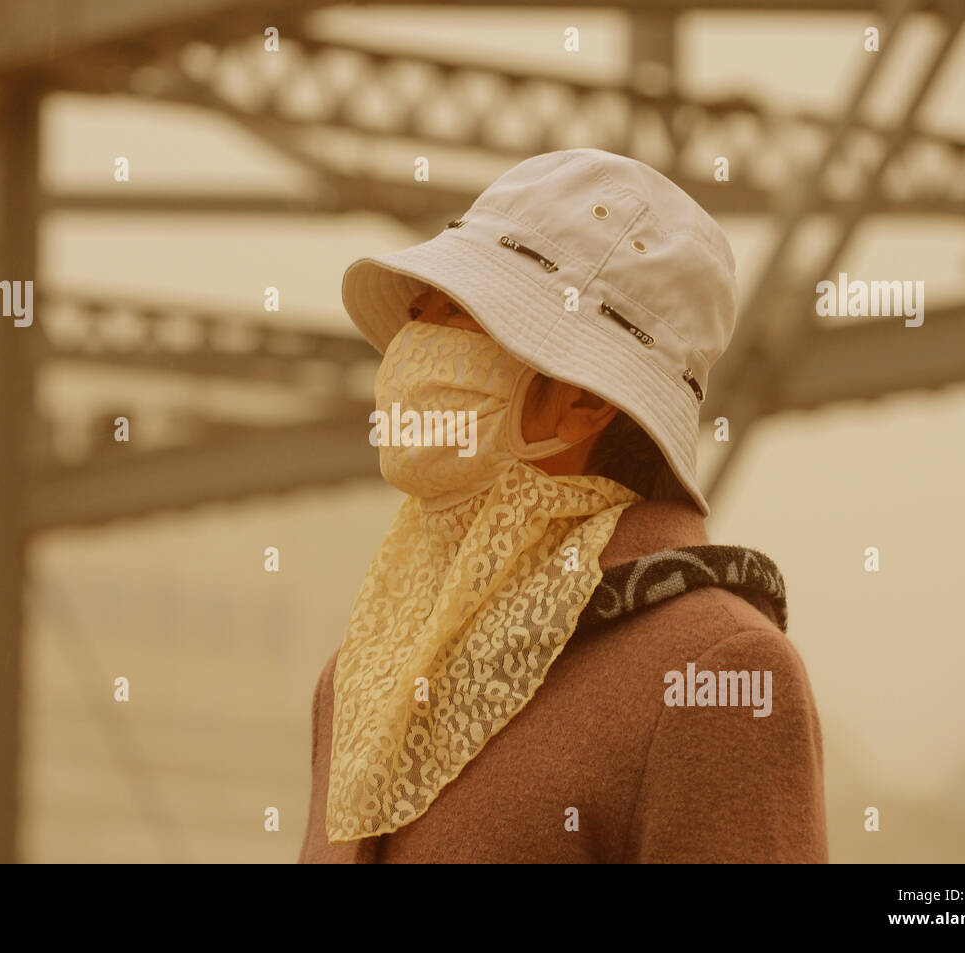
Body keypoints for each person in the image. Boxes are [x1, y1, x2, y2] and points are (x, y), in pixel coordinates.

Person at [298, 148, 826, 863]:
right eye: (420, 308)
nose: (412, 343)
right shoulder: (362, 673)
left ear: (583, 399)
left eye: (460, 311)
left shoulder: (717, 671)